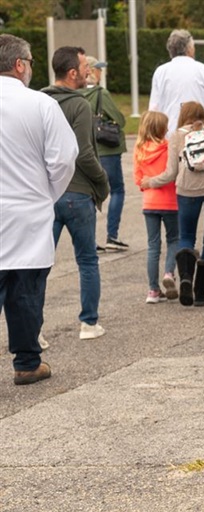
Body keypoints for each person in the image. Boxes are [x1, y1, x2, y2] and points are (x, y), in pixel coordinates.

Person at [0, 35, 78, 384]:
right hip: (27, 214)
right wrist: (47, 192)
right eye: (30, 62)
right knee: (26, 293)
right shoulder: (41, 105)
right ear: (19, 64)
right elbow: (63, 158)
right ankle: (27, 362)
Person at [43, 45, 109, 340]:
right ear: (72, 73)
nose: (89, 71)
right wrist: (102, 183)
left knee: (40, 264)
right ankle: (89, 323)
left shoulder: (40, 101)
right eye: (84, 67)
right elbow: (83, 153)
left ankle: (34, 330)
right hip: (79, 192)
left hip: (46, 194)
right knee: (87, 260)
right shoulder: (79, 104)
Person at [142, 101, 204, 307]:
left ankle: (185, 279)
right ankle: (201, 293)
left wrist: (150, 182)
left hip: (188, 191)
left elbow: (171, 173)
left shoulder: (176, 136)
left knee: (186, 236)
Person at [81, 56, 129, 251]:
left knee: (91, 194)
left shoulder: (77, 93)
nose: (102, 72)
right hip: (108, 150)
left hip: (87, 150)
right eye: (99, 69)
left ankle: (90, 240)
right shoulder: (102, 93)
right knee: (117, 190)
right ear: (93, 70)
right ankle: (112, 235)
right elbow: (120, 119)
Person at [133, 111, 180, 304]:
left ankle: (153, 290)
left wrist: (146, 184)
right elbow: (174, 173)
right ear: (162, 128)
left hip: (149, 203)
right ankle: (169, 273)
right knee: (174, 239)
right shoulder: (169, 148)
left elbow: (138, 179)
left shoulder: (139, 149)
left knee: (153, 246)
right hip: (171, 201)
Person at [149, 29, 204, 133]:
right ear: (189, 49)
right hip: (200, 136)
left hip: (169, 135)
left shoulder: (160, 72)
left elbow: (154, 109)